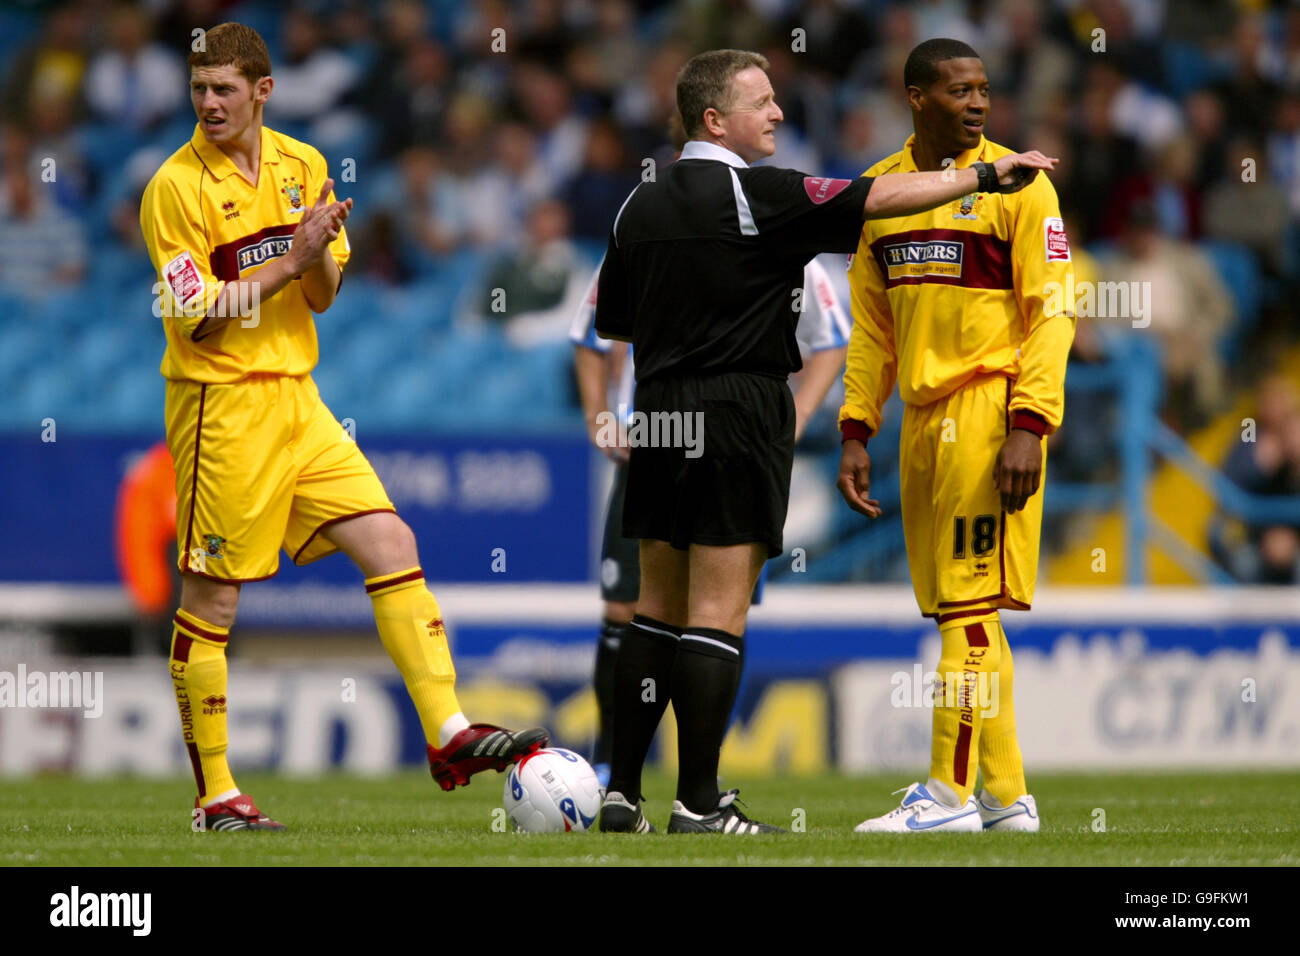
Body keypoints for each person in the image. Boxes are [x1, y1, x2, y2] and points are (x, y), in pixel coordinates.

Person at [594, 47, 1054, 834]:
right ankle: (700, 803)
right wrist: (983, 177)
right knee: (716, 613)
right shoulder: (761, 194)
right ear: (716, 118)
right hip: (739, 408)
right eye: (763, 102)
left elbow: (615, 323)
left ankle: (620, 793)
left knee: (652, 611)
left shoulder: (635, 206)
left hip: (659, 412)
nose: (778, 114)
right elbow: (883, 196)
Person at [138, 22, 547, 832]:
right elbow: (193, 319)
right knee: (213, 601)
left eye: (224, 89)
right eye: (198, 89)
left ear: (263, 91)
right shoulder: (174, 189)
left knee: (392, 543)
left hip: (300, 400)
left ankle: (448, 733)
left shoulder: (303, 165)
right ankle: (216, 795)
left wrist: (317, 250)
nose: (209, 103)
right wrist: (289, 258)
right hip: (223, 407)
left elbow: (322, 294)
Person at [837, 38, 1076, 833]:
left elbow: (1052, 313)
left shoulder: (1021, 184)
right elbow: (872, 326)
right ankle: (1007, 798)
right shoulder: (879, 193)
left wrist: (1029, 423)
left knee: (967, 613)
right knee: (964, 613)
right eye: (959, 91)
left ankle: (947, 795)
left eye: (983, 90)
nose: (977, 104)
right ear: (916, 97)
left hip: (988, 410)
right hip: (920, 423)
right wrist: (857, 425)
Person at [571, 255, 851, 794]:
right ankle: (613, 770)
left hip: (737, 448)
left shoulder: (780, 226)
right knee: (629, 607)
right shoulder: (644, 223)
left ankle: (699, 773)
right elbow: (590, 334)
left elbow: (832, 337)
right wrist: (598, 417)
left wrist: (793, 420)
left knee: (722, 613)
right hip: (652, 441)